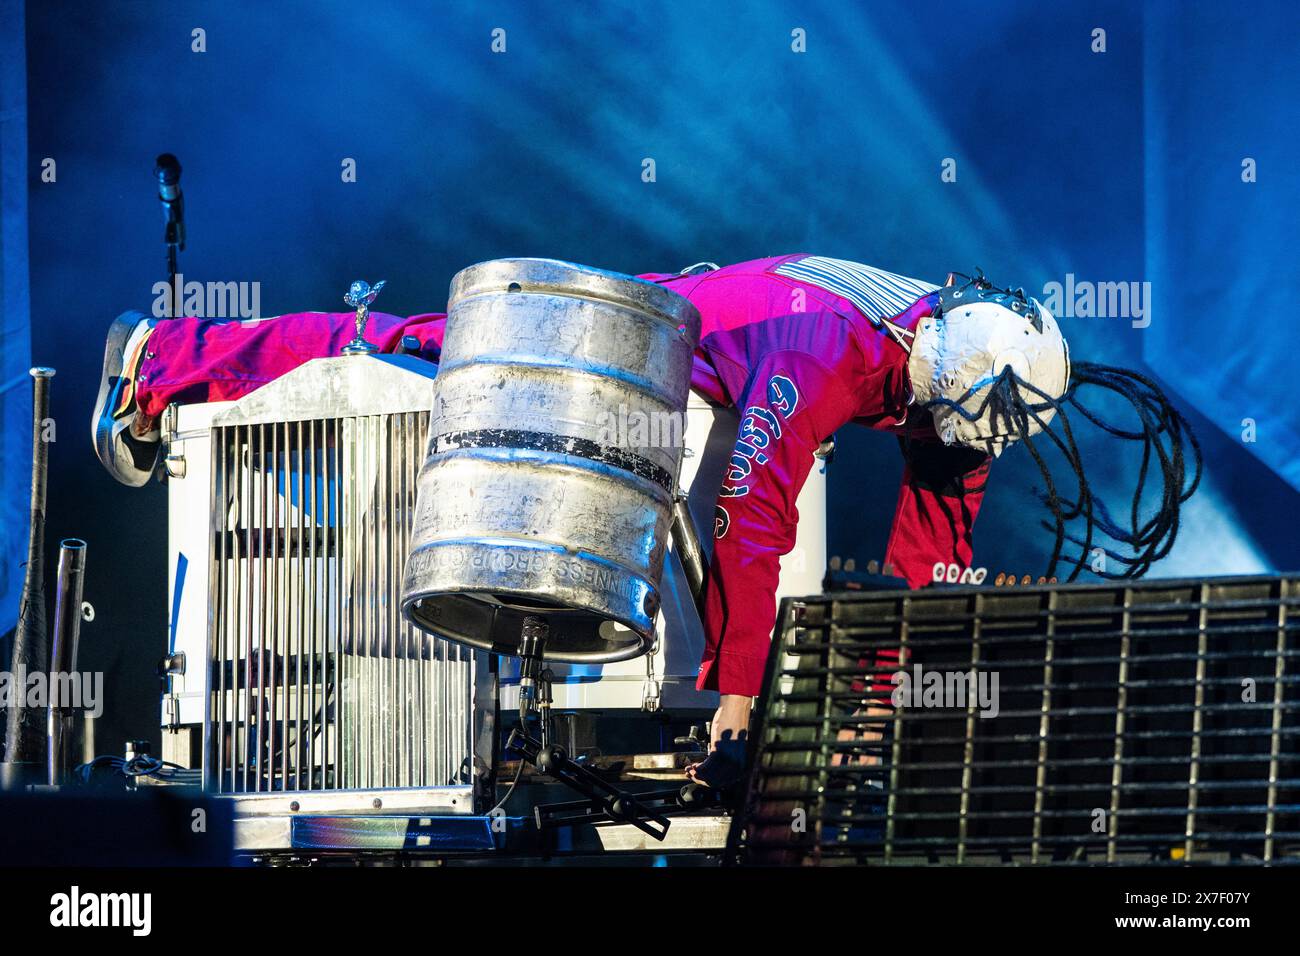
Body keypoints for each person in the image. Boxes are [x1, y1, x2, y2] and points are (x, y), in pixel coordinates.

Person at [92, 254, 1199, 785]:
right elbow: (749, 515)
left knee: (934, 566)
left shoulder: (952, 362)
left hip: (711, 364)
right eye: (968, 440)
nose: (973, 462)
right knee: (401, 350)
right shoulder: (820, 356)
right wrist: (735, 689)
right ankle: (159, 363)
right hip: (628, 346)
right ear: (940, 380)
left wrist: (882, 707)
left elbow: (934, 560)